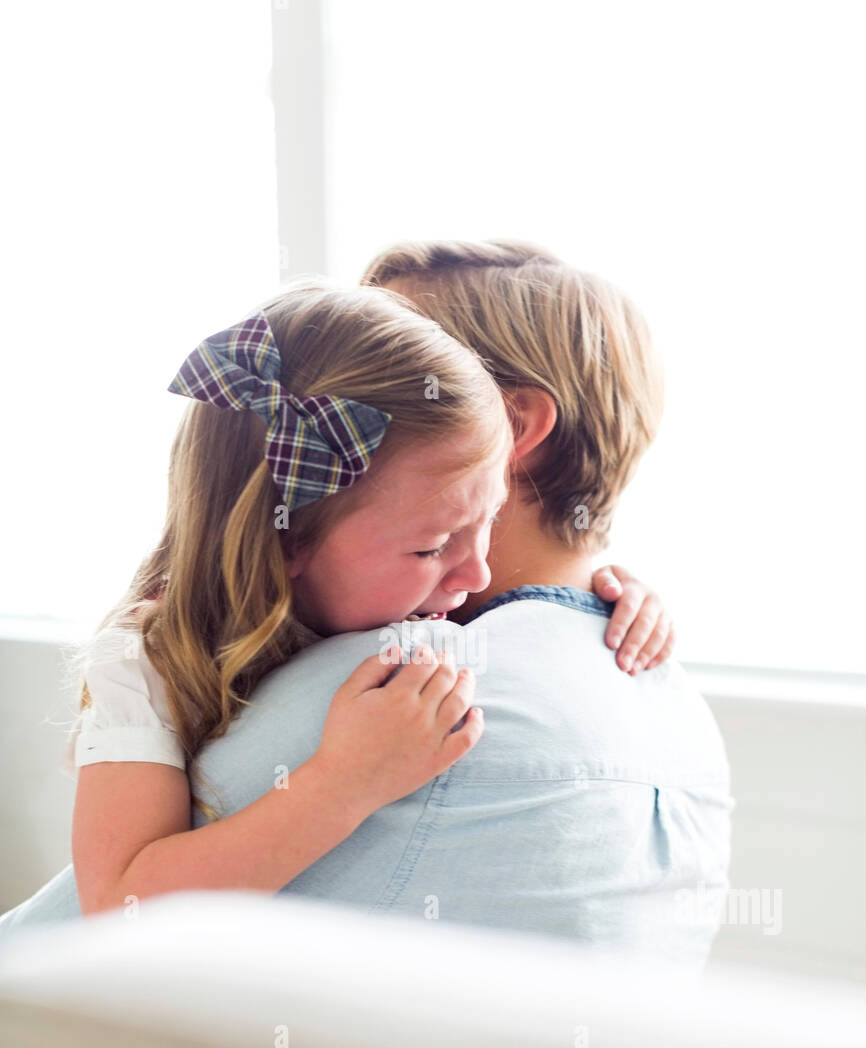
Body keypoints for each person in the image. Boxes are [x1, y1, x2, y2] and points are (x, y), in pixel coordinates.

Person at [0, 269, 668, 937]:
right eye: (434, 546)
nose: (478, 571)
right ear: (284, 542)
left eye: (489, 520)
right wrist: (342, 785)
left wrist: (610, 591)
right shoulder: (145, 664)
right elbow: (121, 905)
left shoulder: (420, 600)